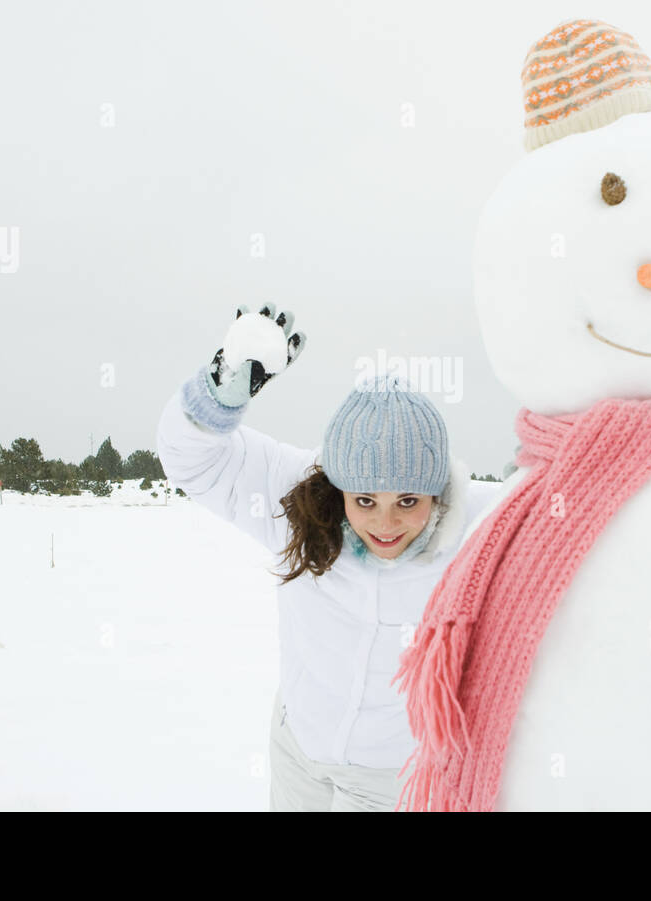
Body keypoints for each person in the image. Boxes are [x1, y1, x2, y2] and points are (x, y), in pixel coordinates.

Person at [155, 301, 503, 811]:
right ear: (338, 487)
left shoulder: (482, 526)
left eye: (408, 501)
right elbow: (195, 462)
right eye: (365, 500)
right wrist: (217, 394)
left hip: (390, 773)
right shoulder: (298, 500)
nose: (386, 524)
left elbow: (585, 513)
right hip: (298, 748)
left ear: (436, 492)